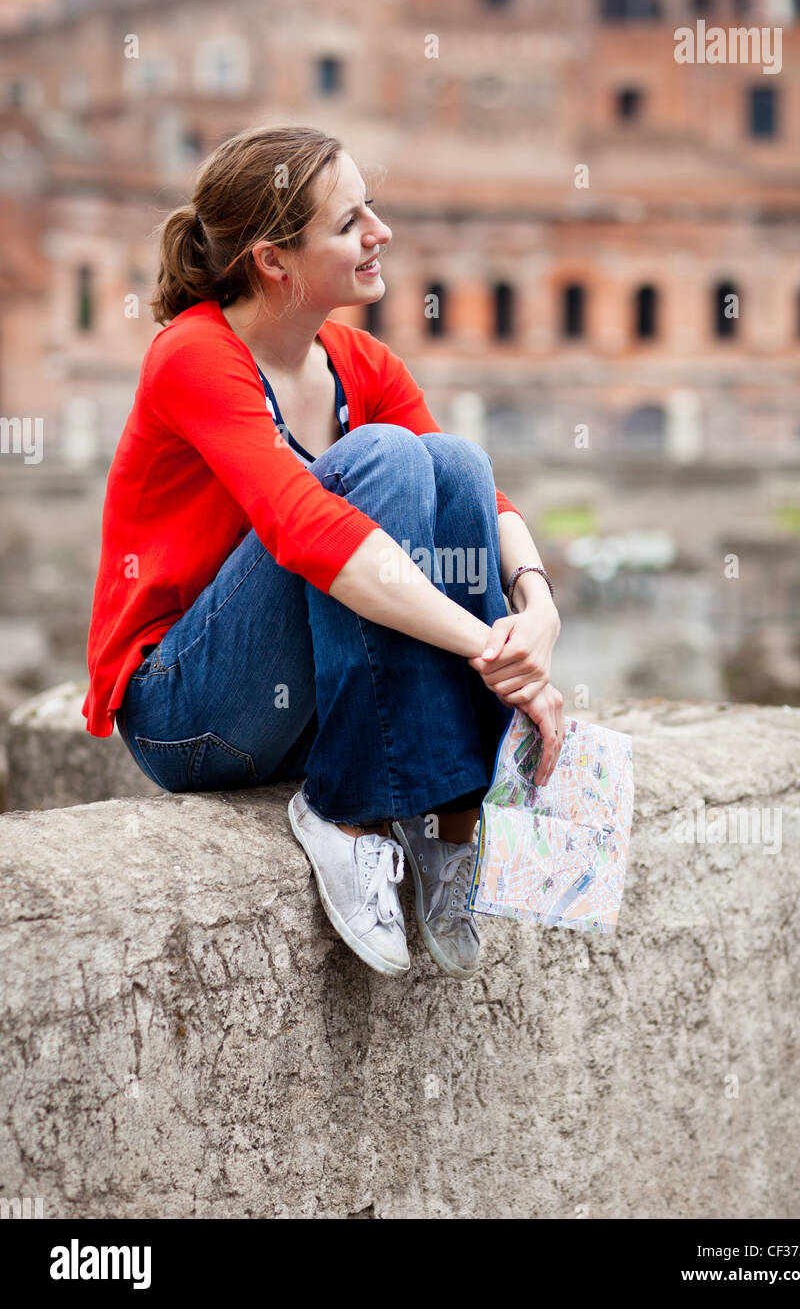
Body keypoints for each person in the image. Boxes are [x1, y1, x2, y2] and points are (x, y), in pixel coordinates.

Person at [82, 124, 565, 983]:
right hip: (187, 716)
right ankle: (347, 818)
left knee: (451, 460)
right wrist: (487, 650)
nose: (380, 232)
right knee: (375, 461)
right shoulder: (195, 358)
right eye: (350, 224)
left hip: (302, 711)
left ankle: (454, 825)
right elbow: (307, 529)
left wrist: (535, 611)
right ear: (274, 260)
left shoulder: (357, 360)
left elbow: (479, 503)